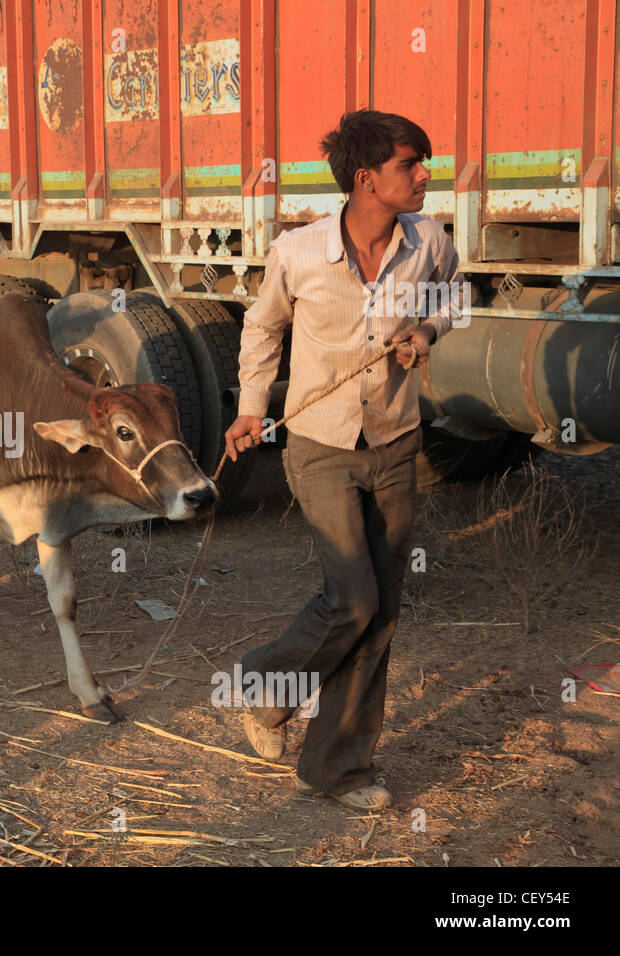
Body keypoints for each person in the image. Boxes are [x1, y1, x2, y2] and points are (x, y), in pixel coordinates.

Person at [224, 110, 467, 810]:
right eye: (410, 164)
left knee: (381, 609)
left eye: (425, 162)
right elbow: (262, 326)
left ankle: (338, 768)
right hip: (320, 444)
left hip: (394, 443)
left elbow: (454, 293)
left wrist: (426, 327)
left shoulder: (430, 243)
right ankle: (265, 685)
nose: (425, 175)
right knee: (352, 597)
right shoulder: (298, 252)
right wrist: (249, 408)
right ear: (367, 180)